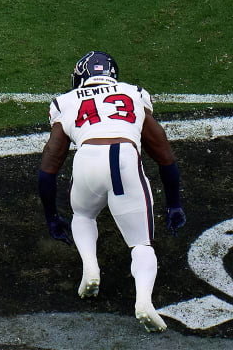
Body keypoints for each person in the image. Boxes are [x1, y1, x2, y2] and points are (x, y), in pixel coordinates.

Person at [38, 51, 185, 333]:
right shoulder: (134, 94)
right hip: (123, 157)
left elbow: (49, 164)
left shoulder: (66, 101)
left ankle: (90, 266)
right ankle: (143, 300)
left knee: (82, 214)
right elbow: (164, 153)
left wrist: (51, 216)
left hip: (87, 157)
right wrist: (174, 202)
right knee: (141, 244)